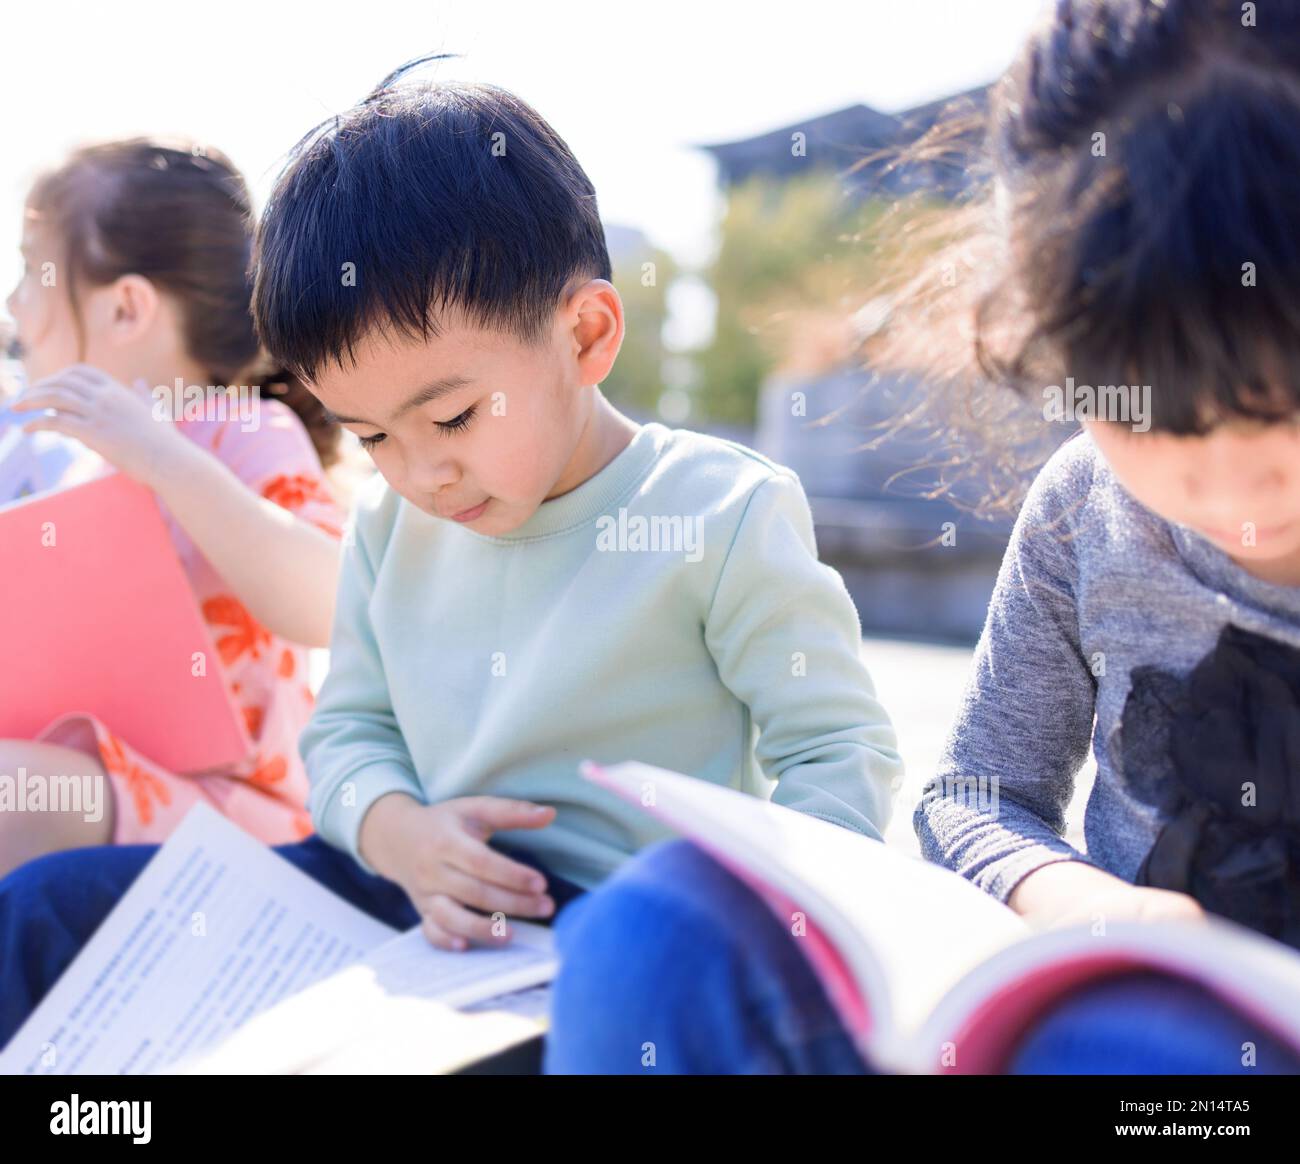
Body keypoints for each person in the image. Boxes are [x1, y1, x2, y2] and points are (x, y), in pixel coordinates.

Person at [0, 60, 902, 1046]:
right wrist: (394, 828)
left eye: (455, 416)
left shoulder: (720, 510)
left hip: (607, 927)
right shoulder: (395, 525)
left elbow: (835, 751)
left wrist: (755, 926)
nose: (420, 471)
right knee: (47, 909)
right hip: (401, 885)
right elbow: (345, 736)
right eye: (376, 437)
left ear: (588, 334)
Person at [544, 0, 1300, 1074]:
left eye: (1275, 407)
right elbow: (977, 799)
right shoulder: (1087, 506)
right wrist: (1084, 904)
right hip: (1090, 1014)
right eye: (1145, 416)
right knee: (656, 930)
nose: (1222, 480)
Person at [0, 138, 346, 875]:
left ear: (126, 306)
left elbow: (329, 600)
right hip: (97, 786)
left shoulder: (245, 429)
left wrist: (161, 459)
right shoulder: (62, 467)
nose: (14, 302)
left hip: (237, 808)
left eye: (35, 270)